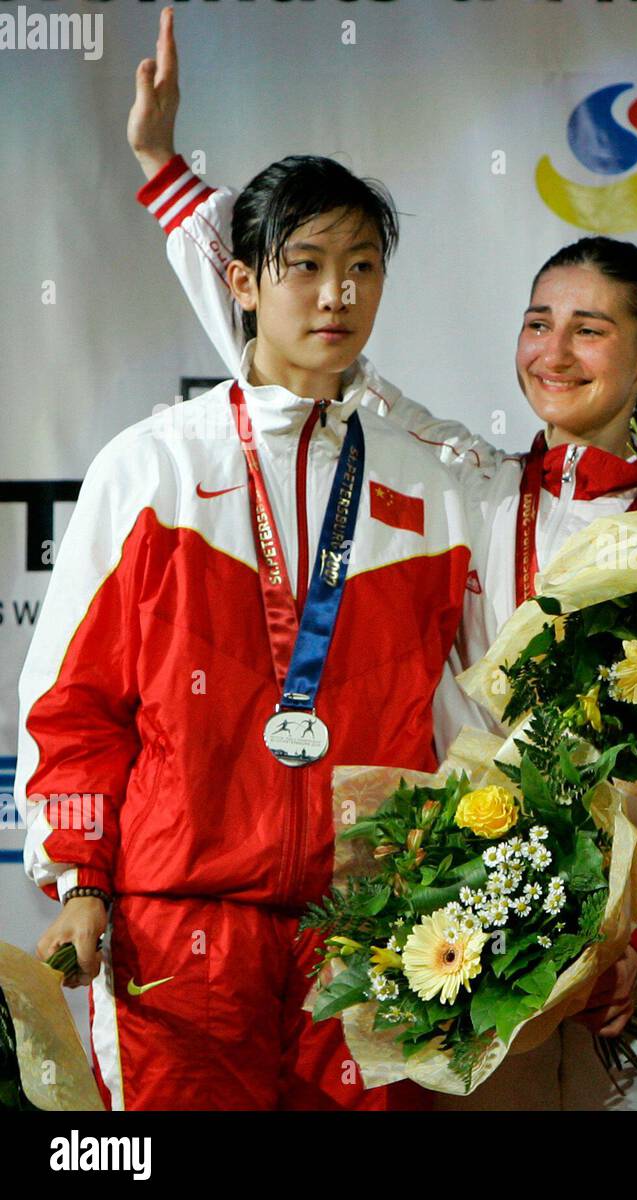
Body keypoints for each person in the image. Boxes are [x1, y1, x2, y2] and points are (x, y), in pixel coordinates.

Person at [124, 8, 637, 1109]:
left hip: (617, 950)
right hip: (453, 924)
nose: (554, 352)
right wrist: (167, 174)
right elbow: (287, 344)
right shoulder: (474, 484)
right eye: (538, 321)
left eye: (591, 330)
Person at [19, 152, 477, 1111]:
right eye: (304, 264)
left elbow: (471, 712)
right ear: (243, 281)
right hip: (177, 930)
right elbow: (75, 703)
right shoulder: (151, 467)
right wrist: (82, 881)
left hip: (371, 936)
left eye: (362, 266)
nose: (337, 294)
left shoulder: (434, 483)